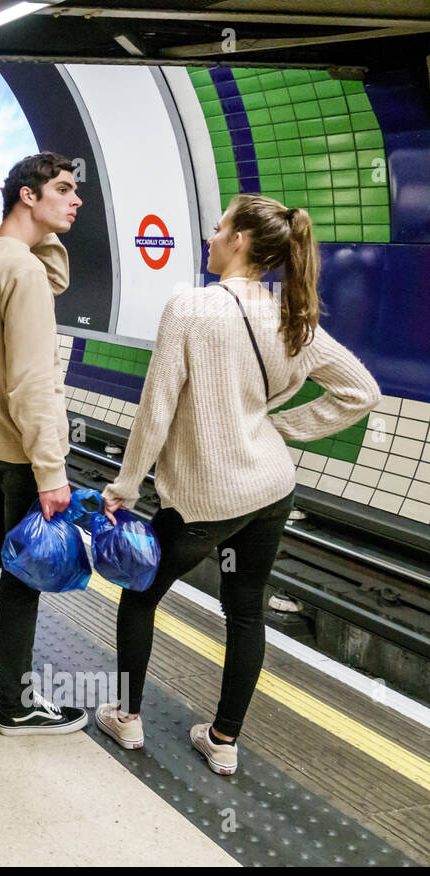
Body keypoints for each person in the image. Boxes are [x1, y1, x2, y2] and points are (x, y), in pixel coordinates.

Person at [97, 195, 380, 773]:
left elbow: (156, 409)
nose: (211, 235)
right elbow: (361, 392)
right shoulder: (293, 318)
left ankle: (126, 717)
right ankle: (223, 741)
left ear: (242, 241)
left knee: (142, 595)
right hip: (270, 492)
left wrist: (127, 484)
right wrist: (280, 428)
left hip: (205, 499)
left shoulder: (192, 307)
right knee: (245, 610)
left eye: (220, 227)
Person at [0, 152, 80, 732]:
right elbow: (31, 380)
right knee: (25, 576)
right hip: (24, 453)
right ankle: (18, 705)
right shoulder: (19, 270)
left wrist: (39, 233)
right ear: (27, 195)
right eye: (63, 189)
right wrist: (51, 471)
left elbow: (55, 280)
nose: (75, 201)